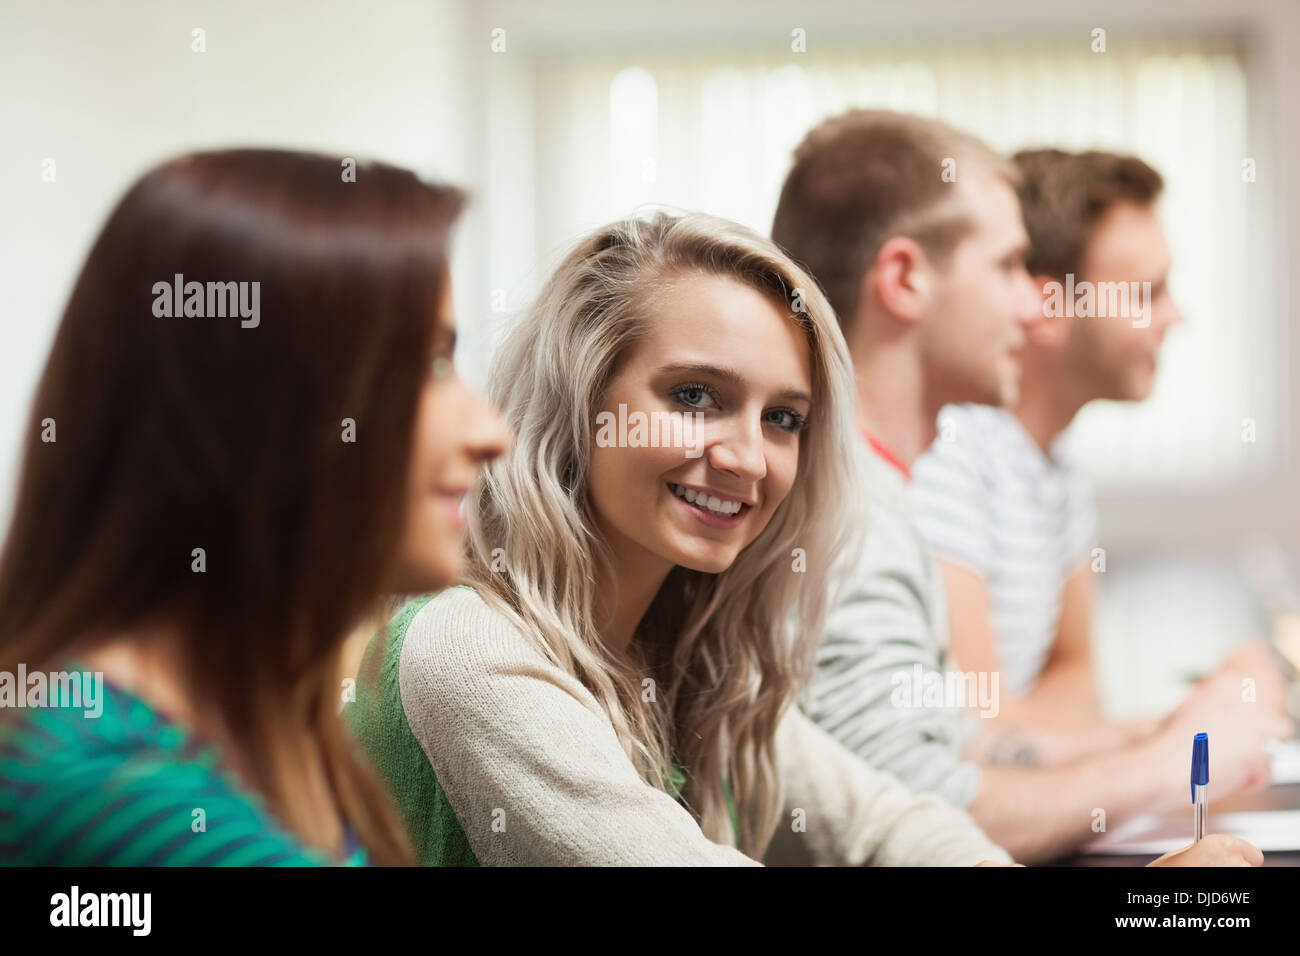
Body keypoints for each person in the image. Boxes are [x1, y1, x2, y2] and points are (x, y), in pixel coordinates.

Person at [348, 210, 1014, 866]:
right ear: (580, 398)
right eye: (696, 396)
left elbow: (888, 824)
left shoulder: (689, 661)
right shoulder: (466, 644)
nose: (749, 459)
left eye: (783, 417)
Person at [771, 110, 1279, 863]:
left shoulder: (887, 490)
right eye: (1010, 268)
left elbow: (959, 744)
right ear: (905, 278)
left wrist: (1178, 734)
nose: (1031, 302)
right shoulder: (847, 510)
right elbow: (909, 809)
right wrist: (1169, 765)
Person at [0, 149, 509, 865]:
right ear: (259, 411)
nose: (493, 431)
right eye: (428, 365)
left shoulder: (275, 730)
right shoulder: (114, 790)